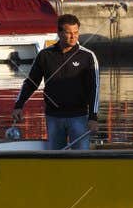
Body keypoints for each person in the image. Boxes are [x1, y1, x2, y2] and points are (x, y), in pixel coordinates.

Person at [12, 14, 99, 150]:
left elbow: (94, 88)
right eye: (68, 33)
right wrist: (19, 105)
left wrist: (93, 117)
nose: (73, 37)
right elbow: (31, 82)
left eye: (76, 32)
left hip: (79, 116)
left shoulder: (87, 56)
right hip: (53, 117)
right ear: (59, 33)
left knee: (81, 160)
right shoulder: (45, 55)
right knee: (56, 158)